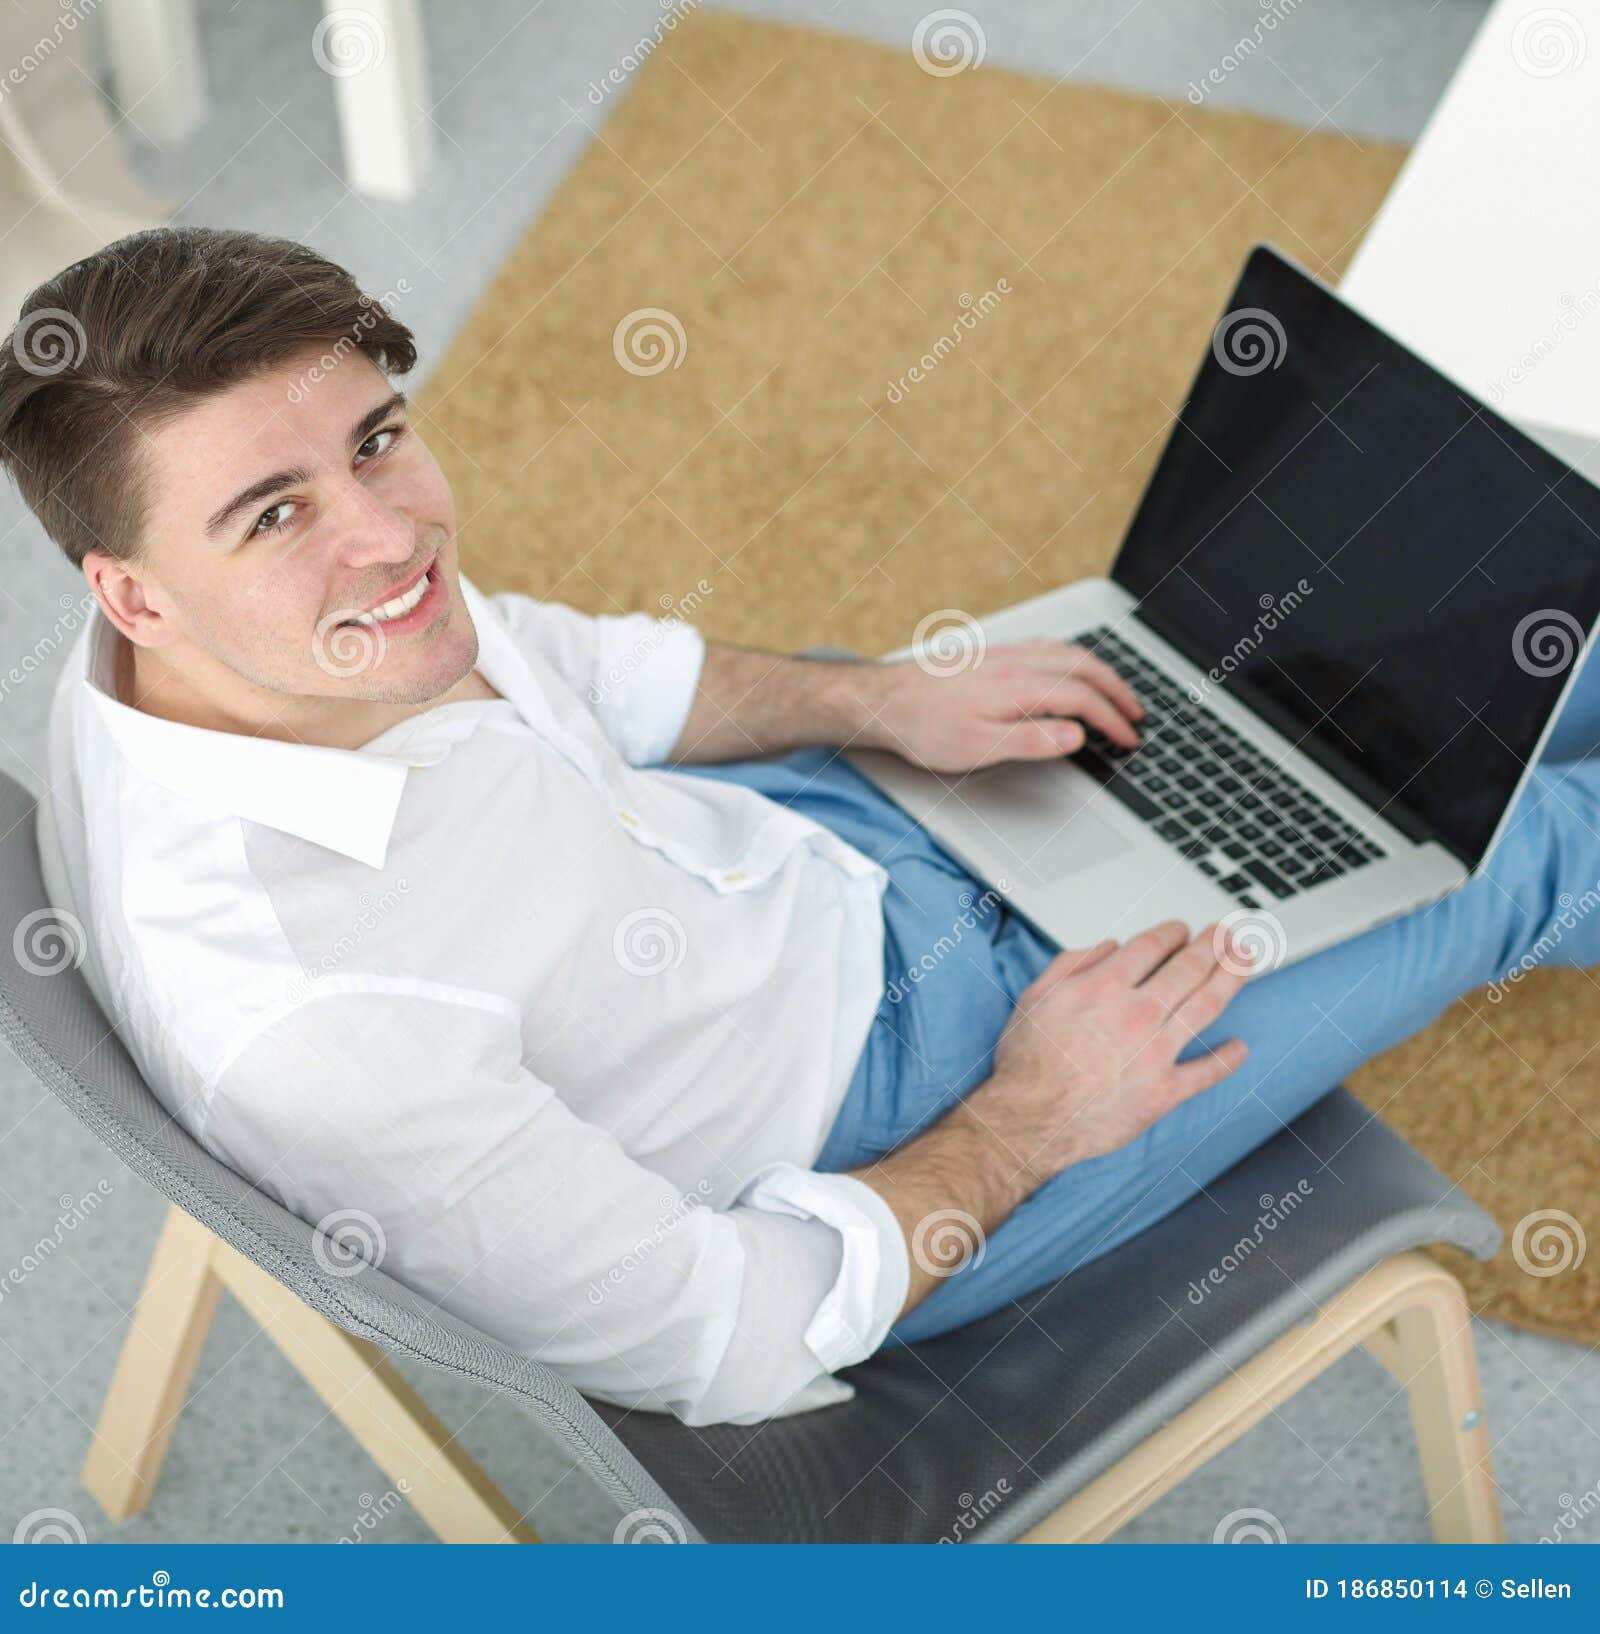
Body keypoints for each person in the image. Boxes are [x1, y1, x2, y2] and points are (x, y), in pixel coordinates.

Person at [4, 228, 1591, 1427]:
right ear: (128, 585)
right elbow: (728, 1338)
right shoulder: (319, 1025)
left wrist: (877, 703)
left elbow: (582, 667)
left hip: (793, 846)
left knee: (1323, 683)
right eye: (276, 513)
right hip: (905, 1128)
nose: (392, 533)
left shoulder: (229, 636)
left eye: (376, 439)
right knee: (1492, 855)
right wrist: (1032, 1117)